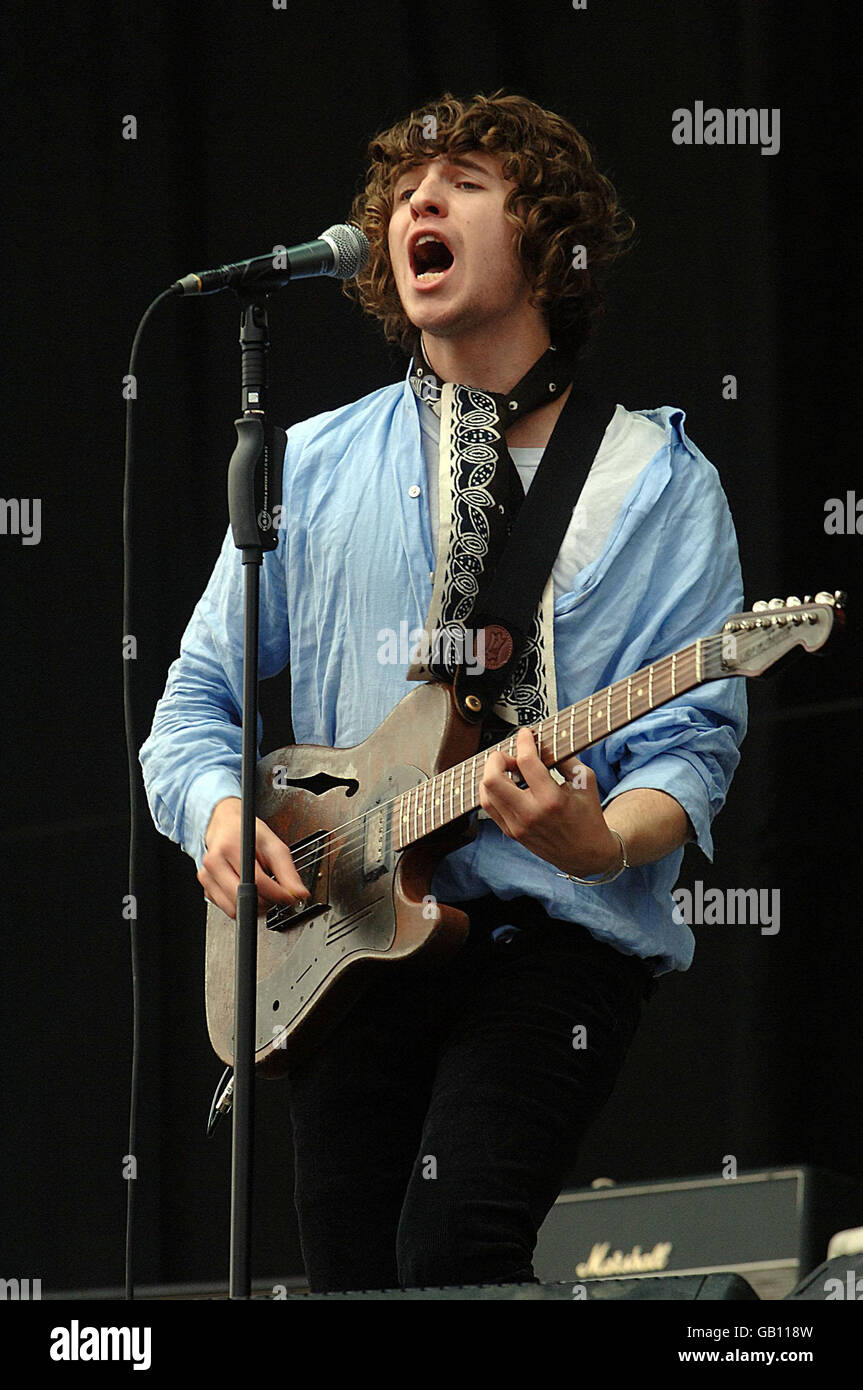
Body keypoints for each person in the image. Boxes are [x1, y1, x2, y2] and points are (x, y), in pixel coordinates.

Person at [140, 90, 747, 1292]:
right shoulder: (305, 465)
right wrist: (219, 813)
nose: (421, 199)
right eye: (407, 190)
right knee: (354, 1276)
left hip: (546, 938)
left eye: (467, 182)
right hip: (347, 931)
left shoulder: (654, 480)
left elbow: (692, 739)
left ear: (546, 237)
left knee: (454, 1249)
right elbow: (195, 696)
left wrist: (597, 837)